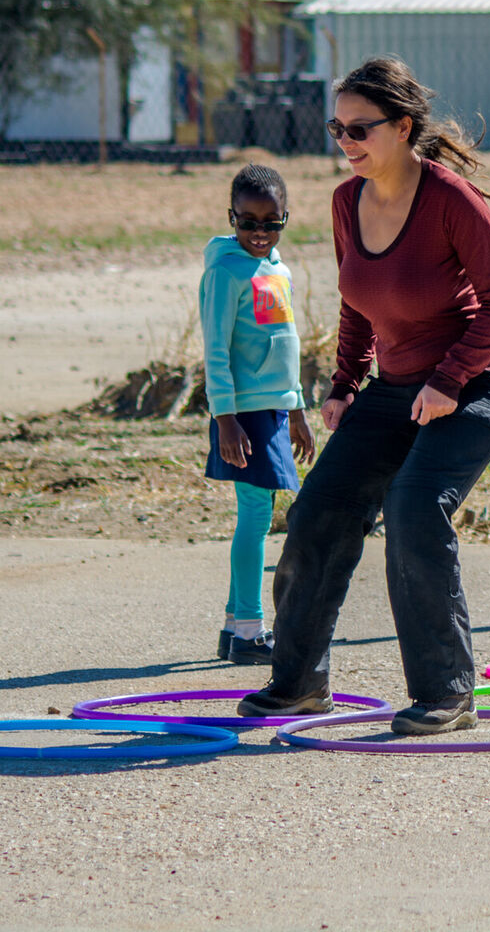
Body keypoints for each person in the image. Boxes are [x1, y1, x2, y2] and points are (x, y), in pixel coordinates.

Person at [239, 57, 490, 735]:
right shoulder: (346, 202)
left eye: (360, 128)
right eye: (336, 129)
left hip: (474, 388)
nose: (346, 142)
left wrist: (449, 379)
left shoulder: (449, 198)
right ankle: (299, 684)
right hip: (393, 393)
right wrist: (343, 384)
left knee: (415, 508)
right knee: (317, 514)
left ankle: (448, 693)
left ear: (402, 127)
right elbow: (357, 304)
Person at [201, 164, 316, 666]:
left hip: (272, 410)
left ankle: (234, 626)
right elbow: (216, 350)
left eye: (271, 222)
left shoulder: (277, 270)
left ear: (286, 219)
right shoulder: (225, 272)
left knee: (258, 514)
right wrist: (225, 418)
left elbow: (284, 347)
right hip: (242, 415)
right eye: (247, 222)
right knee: (255, 517)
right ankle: (249, 629)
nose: (258, 232)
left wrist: (296, 409)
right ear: (231, 218)